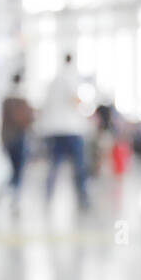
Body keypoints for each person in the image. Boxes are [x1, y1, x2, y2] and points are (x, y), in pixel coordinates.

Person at [37, 54, 90, 212]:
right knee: (79, 167)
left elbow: (45, 106)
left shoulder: (53, 82)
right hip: (71, 130)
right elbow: (76, 100)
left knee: (54, 166)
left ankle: (47, 197)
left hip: (53, 130)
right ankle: (83, 199)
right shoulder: (72, 78)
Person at [0, 73, 34, 213]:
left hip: (9, 139)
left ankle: (1, 195)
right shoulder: (21, 100)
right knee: (18, 172)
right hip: (18, 139)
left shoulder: (7, 100)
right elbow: (27, 120)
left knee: (15, 172)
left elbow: (2, 122)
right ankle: (12, 199)